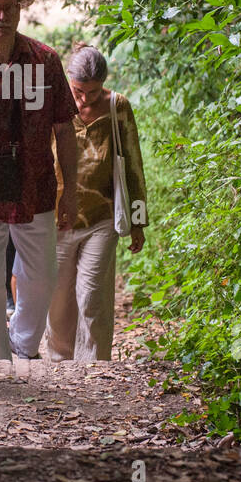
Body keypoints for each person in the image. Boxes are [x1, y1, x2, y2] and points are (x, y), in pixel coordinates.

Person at [0, 0, 78, 360]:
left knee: (42, 276)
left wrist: (71, 191)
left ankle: (24, 346)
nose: (2, 18)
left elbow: (64, 128)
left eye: (9, 9)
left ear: (20, 12)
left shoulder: (45, 60)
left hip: (36, 186)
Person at [45, 46, 147, 362]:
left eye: (92, 92)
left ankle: (95, 365)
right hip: (58, 216)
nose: (84, 100)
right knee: (58, 299)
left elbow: (133, 165)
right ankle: (61, 363)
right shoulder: (52, 104)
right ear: (68, 82)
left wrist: (138, 221)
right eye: (78, 91)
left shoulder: (118, 107)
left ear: (103, 84)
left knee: (91, 296)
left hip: (102, 217)